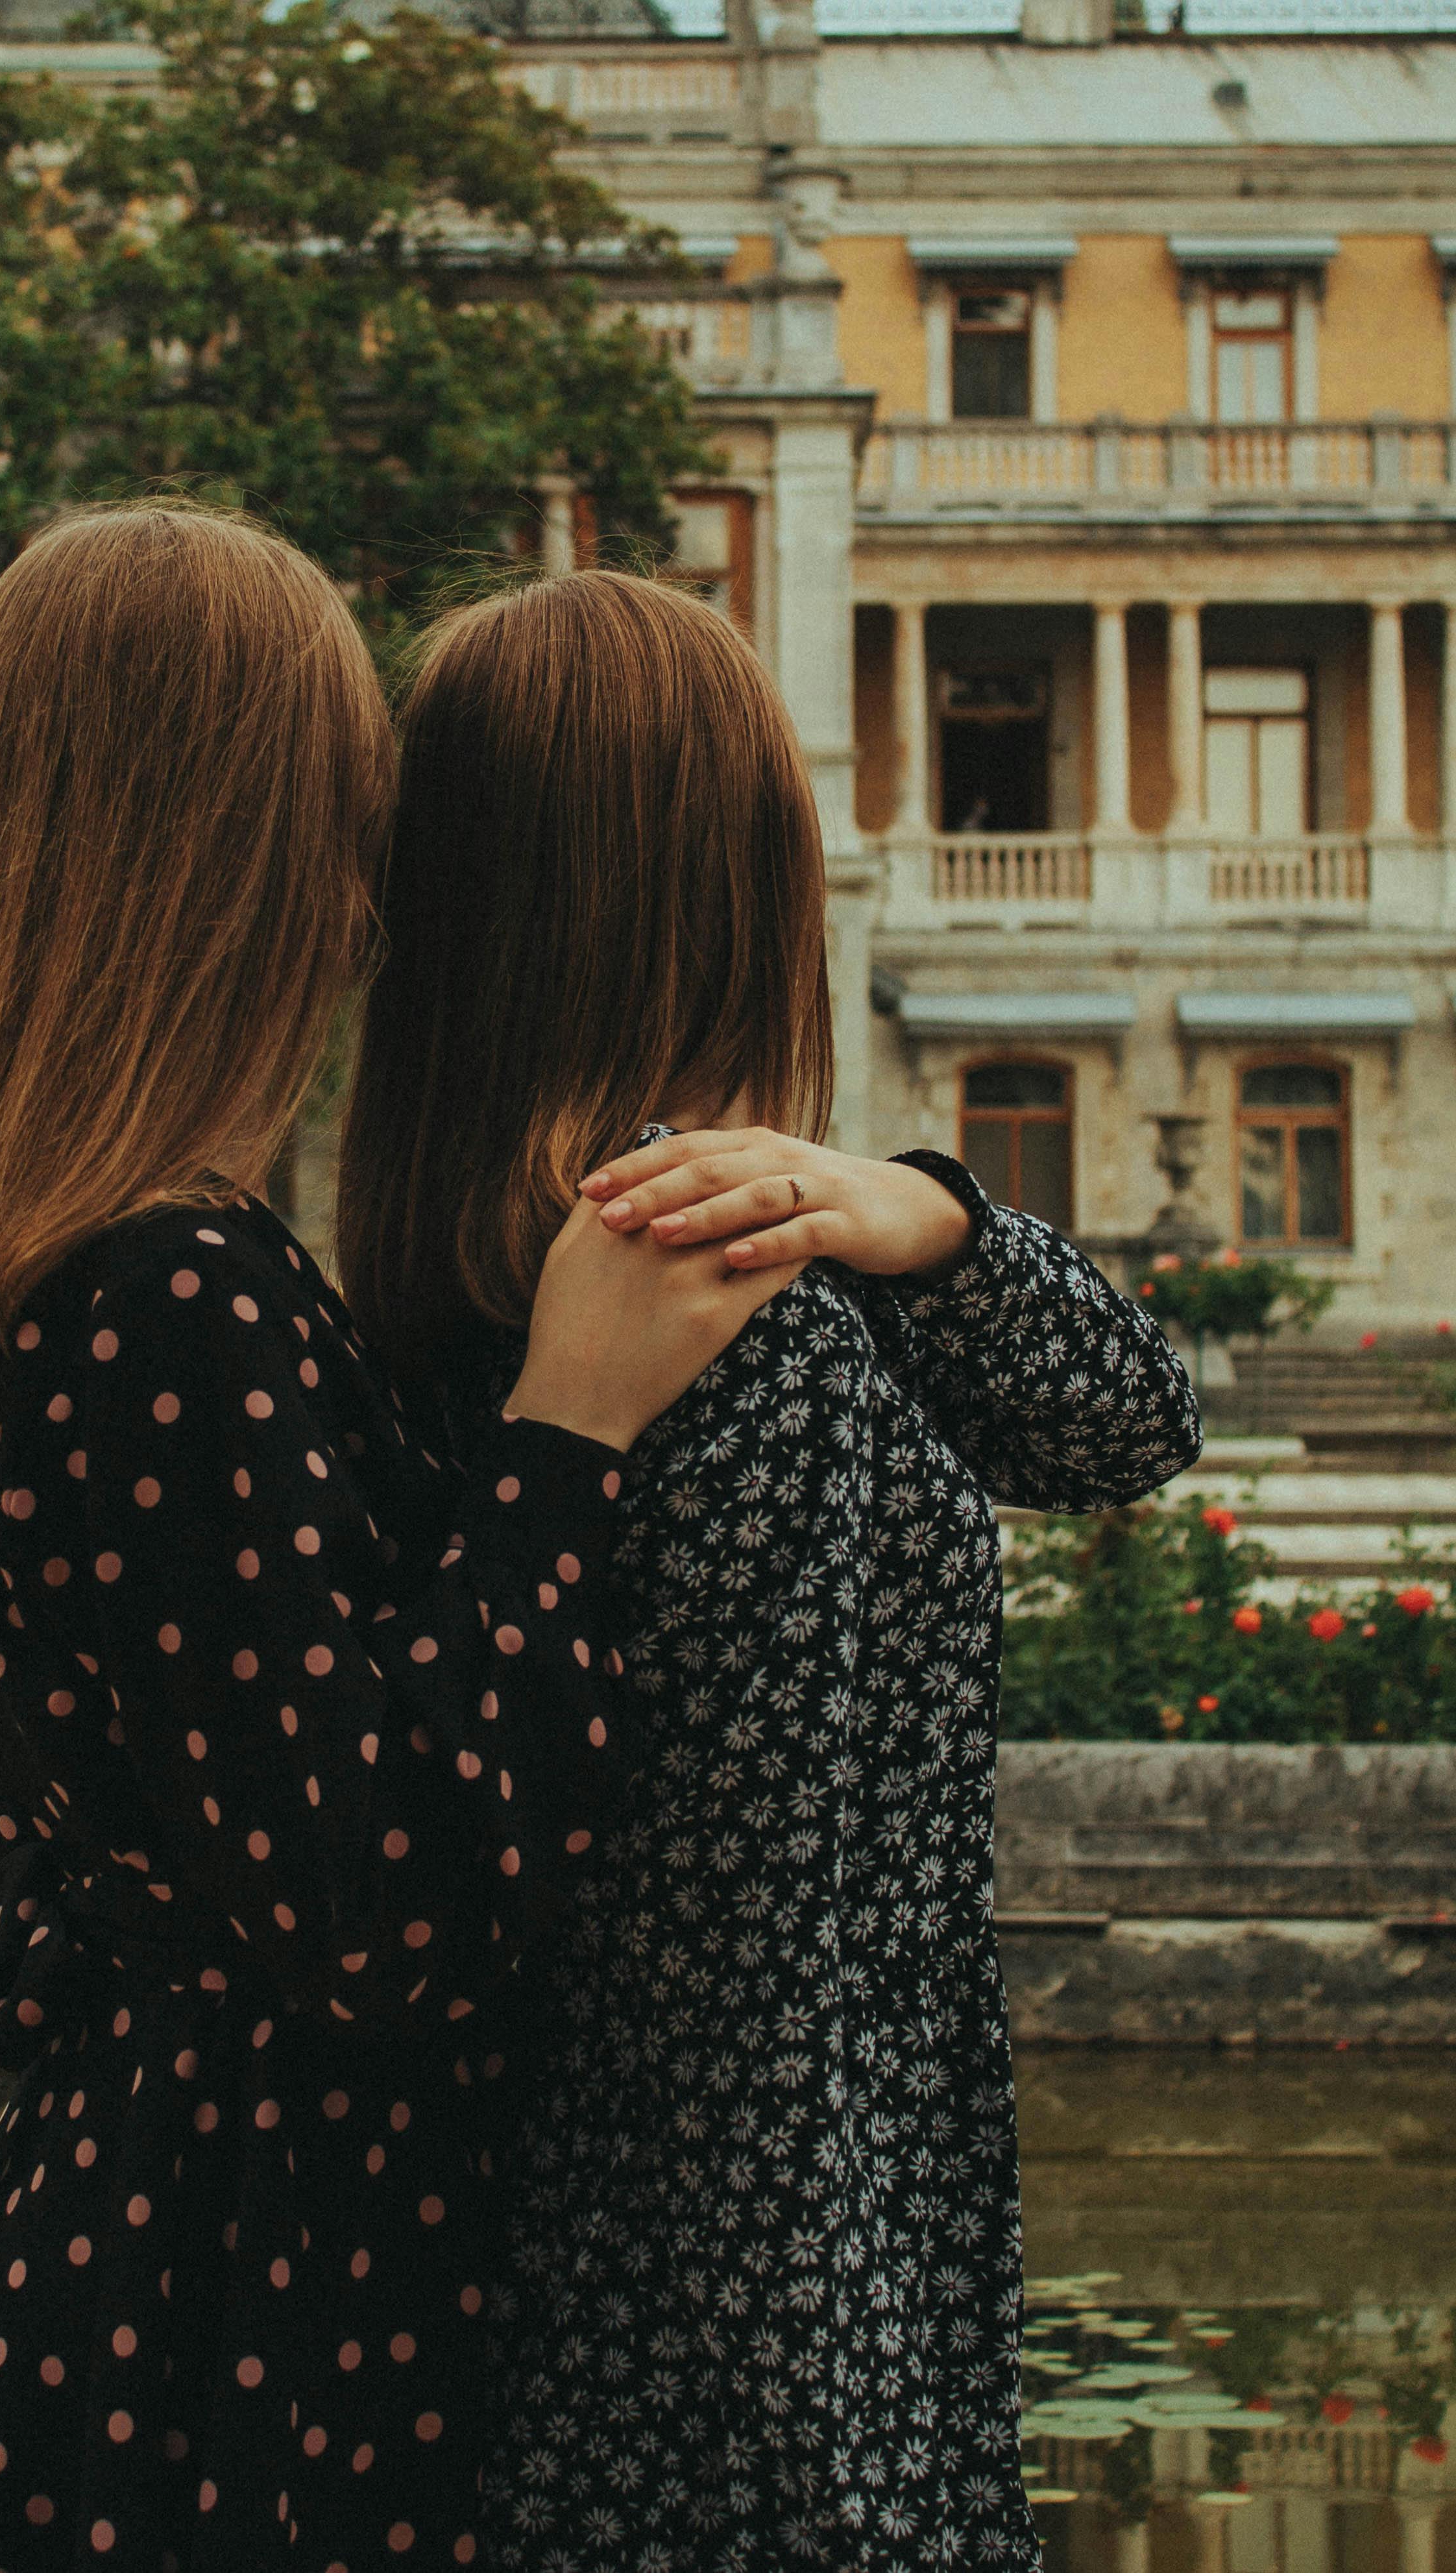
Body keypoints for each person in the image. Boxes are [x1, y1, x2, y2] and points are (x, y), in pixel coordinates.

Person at [0, 506, 783, 2573]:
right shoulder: (173, 1290)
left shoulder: (99, 1256)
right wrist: (565, 1435)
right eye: (351, 819)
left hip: (122, 2265)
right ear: (253, 859)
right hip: (238, 2330)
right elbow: (371, 1910)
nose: (372, 900)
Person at [337, 568, 1202, 2573]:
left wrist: (913, 1213)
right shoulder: (716, 1295)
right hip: (758, 2316)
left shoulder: (514, 1269)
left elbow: (1126, 1419)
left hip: (578, 2275)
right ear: (731, 881)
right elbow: (748, 1977)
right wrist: (847, 2470)